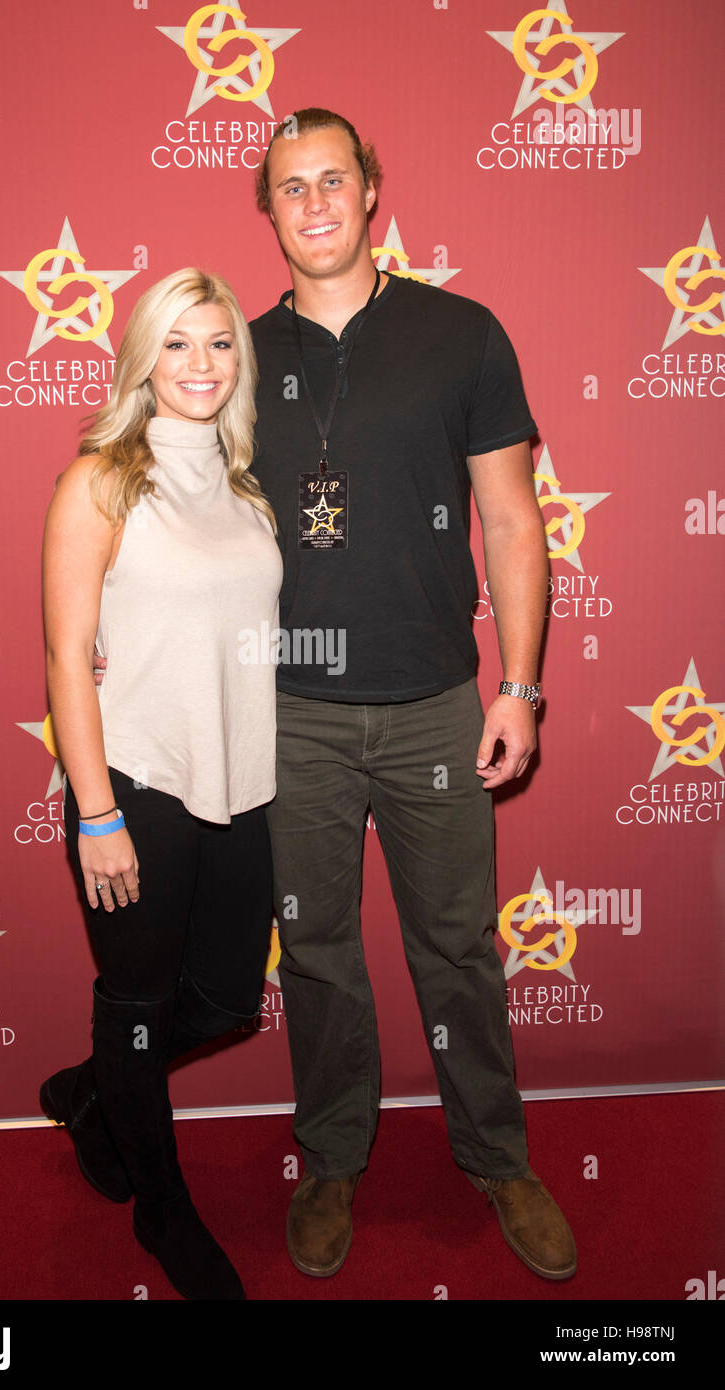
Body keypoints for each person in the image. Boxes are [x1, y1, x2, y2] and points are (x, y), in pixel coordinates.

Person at [245, 108, 576, 1283]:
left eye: (335, 179)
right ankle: (333, 1155)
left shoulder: (460, 332)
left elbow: (509, 520)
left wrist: (519, 685)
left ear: (371, 192)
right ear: (267, 210)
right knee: (317, 950)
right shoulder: (228, 360)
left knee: (456, 948)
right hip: (291, 717)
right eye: (291, 187)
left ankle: (496, 1156)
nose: (316, 202)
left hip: (440, 703)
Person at [38, 267, 282, 1301]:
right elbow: (64, 657)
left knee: (227, 1001)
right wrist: (96, 813)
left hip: (245, 787)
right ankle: (162, 1207)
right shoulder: (100, 477)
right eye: (176, 343)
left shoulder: (244, 486)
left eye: (218, 343)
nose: (199, 364)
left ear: (240, 360)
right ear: (143, 357)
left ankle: (94, 1090)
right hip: (137, 787)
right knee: (137, 1002)